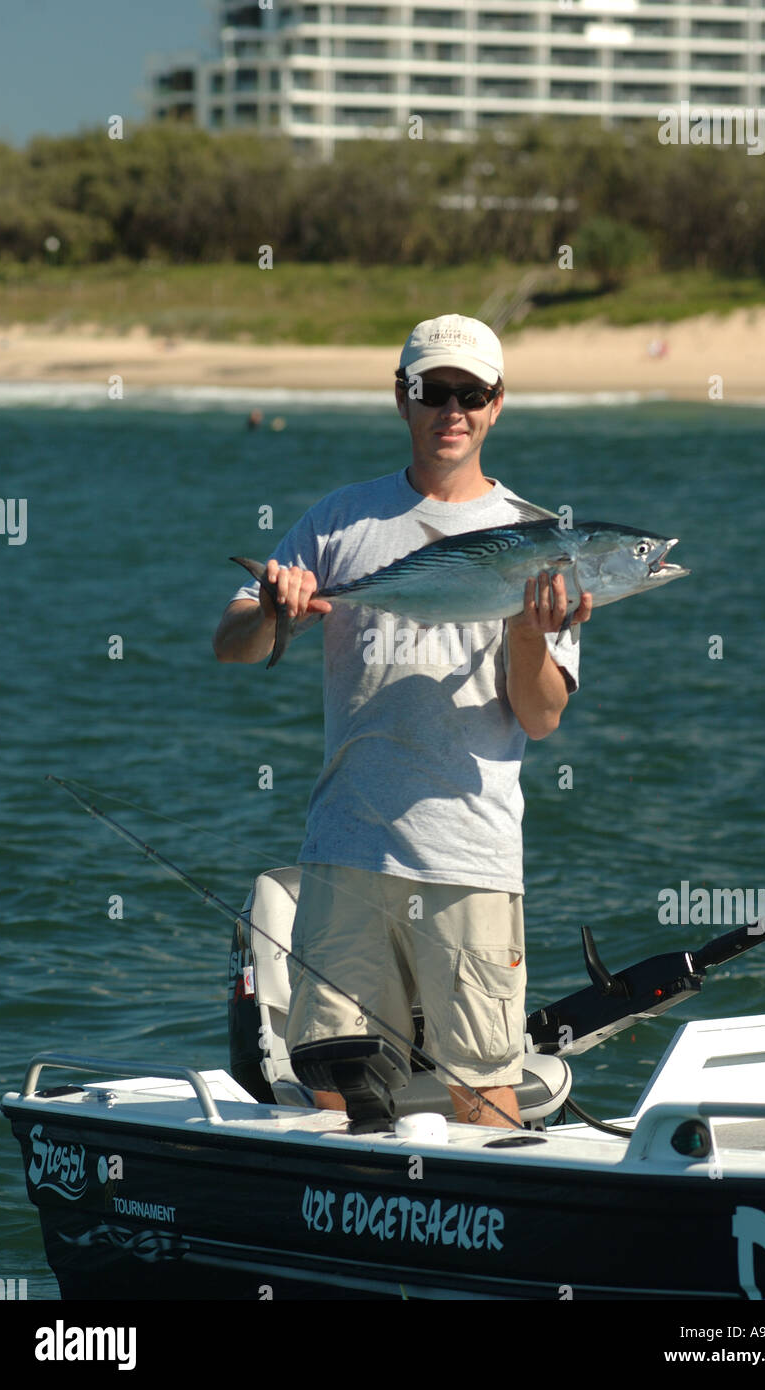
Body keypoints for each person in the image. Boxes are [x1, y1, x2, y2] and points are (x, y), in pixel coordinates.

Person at [213, 314, 592, 1127]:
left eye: (471, 393)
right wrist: (277, 612)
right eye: (433, 390)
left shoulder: (539, 543)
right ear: (402, 397)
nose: (451, 409)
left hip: (471, 857)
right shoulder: (340, 521)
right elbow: (231, 644)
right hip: (347, 849)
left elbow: (541, 716)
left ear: (497, 405)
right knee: (334, 1087)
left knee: (484, 1088)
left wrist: (528, 630)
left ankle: (471, 1235)